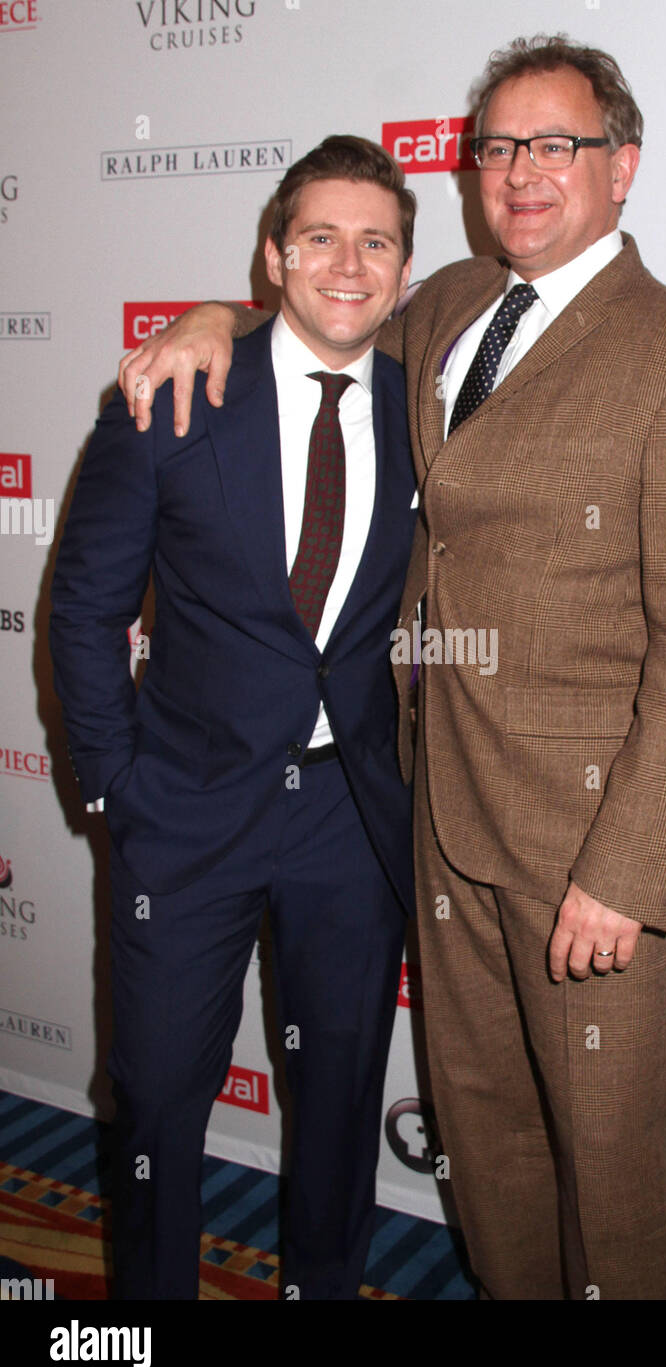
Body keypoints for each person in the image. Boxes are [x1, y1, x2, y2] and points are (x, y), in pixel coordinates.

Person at [116, 35, 666, 1300]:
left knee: (615, 1167)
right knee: (490, 1148)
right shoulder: (457, 302)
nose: (522, 172)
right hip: (430, 823)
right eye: (498, 148)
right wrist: (214, 316)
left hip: (585, 853)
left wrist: (623, 874)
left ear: (622, 166)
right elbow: (317, 315)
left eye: (557, 145)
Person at [50, 136, 419, 1300]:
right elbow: (83, 608)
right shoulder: (170, 398)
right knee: (158, 1092)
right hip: (187, 811)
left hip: (350, 823)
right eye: (320, 237)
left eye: (376, 242)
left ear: (406, 269)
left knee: (341, 1091)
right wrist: (116, 787)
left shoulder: (438, 411)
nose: (347, 264)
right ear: (274, 256)